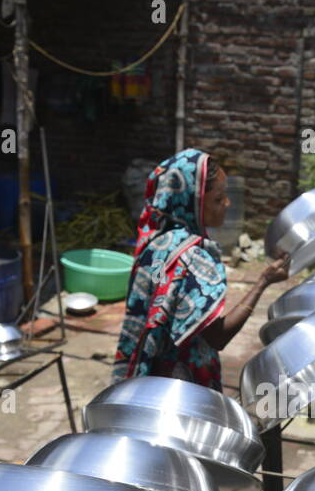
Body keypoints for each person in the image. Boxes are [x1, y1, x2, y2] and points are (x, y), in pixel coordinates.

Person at [112, 148, 288, 391]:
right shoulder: (192, 256)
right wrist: (263, 281)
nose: (227, 204)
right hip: (181, 384)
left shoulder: (155, 242)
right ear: (192, 200)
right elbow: (218, 337)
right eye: (218, 199)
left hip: (149, 375)